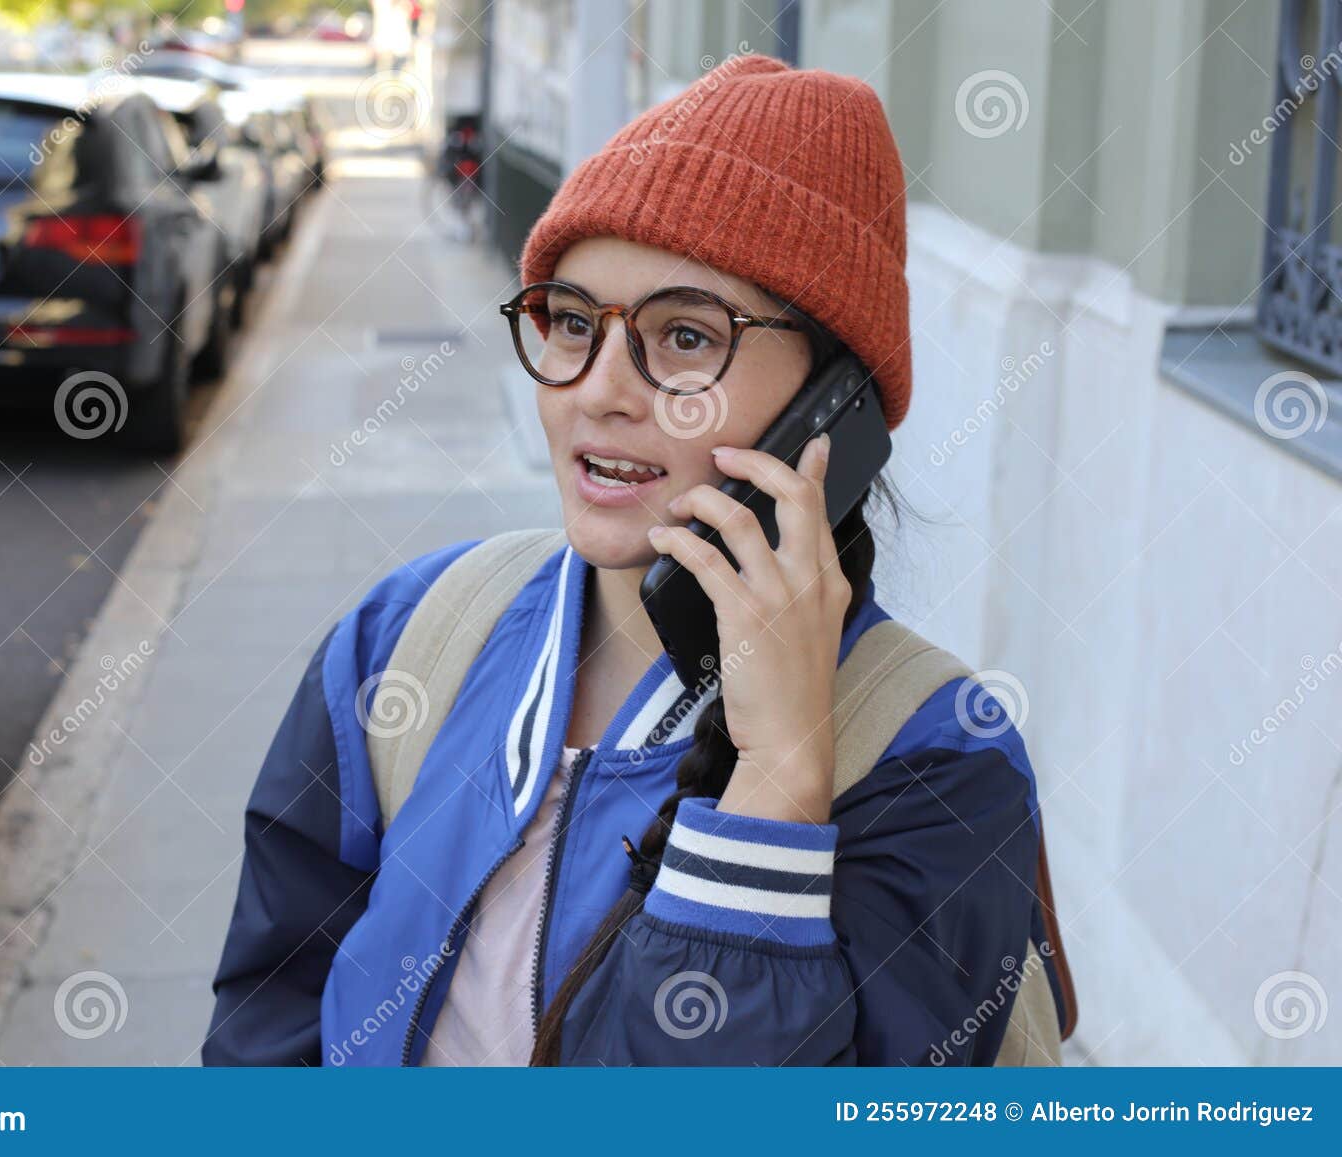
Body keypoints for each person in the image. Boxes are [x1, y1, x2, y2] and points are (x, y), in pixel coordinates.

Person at [204, 55, 1053, 1067]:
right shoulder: (408, 633)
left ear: (836, 409)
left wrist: (775, 788)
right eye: (570, 320)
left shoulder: (935, 761)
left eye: (684, 334)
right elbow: (270, 1014)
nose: (597, 389)